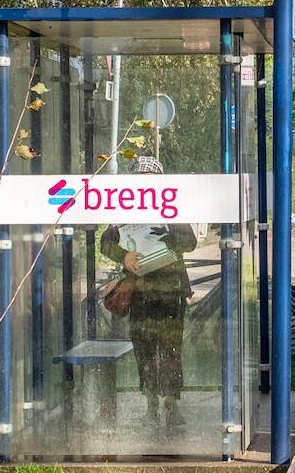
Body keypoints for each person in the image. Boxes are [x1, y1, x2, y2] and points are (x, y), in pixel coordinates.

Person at [100, 156, 197, 428]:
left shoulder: (171, 207)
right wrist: (124, 256)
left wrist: (170, 238)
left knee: (171, 350)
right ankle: (151, 407)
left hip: (171, 291)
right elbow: (105, 242)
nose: (144, 183)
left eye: (149, 179)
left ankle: (172, 407)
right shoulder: (125, 208)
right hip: (141, 291)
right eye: (139, 178)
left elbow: (190, 242)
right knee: (144, 351)